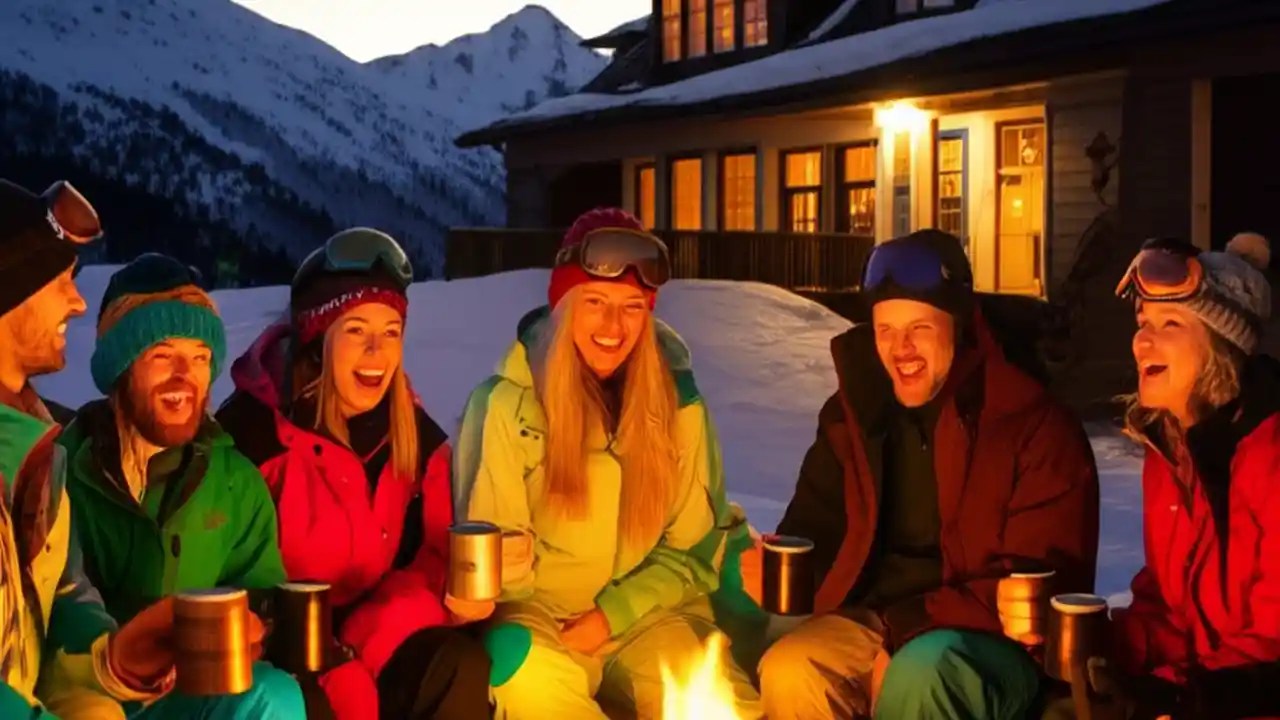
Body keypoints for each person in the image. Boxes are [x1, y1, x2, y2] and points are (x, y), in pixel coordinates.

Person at [754, 229, 1101, 719]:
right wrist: (774, 568)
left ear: (958, 326)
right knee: (791, 666)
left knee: (919, 674)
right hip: (877, 620)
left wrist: (905, 631)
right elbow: (814, 529)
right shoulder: (857, 414)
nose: (901, 348)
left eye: (919, 327)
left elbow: (1040, 585)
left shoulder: (1030, 422)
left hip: (985, 639)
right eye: (886, 329)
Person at [453, 207, 762, 719]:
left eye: (632, 307)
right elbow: (490, 564)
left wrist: (611, 615)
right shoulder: (506, 406)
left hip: (649, 613)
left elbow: (693, 549)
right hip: (541, 617)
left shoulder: (680, 407)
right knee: (525, 676)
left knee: (715, 701)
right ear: (563, 306)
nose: (613, 326)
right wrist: (504, 569)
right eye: (594, 302)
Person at [216, 228, 492, 720]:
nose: (376, 352)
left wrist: (378, 628)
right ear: (317, 339)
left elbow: (437, 556)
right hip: (285, 651)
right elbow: (228, 578)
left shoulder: (413, 438)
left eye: (391, 332)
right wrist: (330, 660)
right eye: (356, 331)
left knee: (457, 666)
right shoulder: (254, 435)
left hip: (378, 638)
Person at [0, 177, 230, 719]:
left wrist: (115, 658)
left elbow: (62, 599)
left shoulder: (39, 449)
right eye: (60, 281)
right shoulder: (66, 454)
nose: (78, 302)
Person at [57, 253, 304, 718]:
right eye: (162, 355)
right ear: (120, 368)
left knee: (275, 695)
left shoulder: (234, 483)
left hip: (189, 695)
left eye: (199, 358)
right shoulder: (62, 474)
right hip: (86, 697)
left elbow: (260, 588)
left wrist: (256, 626)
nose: (184, 376)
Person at [1092, 234, 1280, 718]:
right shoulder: (1170, 452)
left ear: (1221, 345)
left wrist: (1177, 695)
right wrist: (1098, 644)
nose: (1142, 341)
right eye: (1142, 322)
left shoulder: (1269, 459)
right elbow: (1171, 609)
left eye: (1170, 323)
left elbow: (1271, 645)